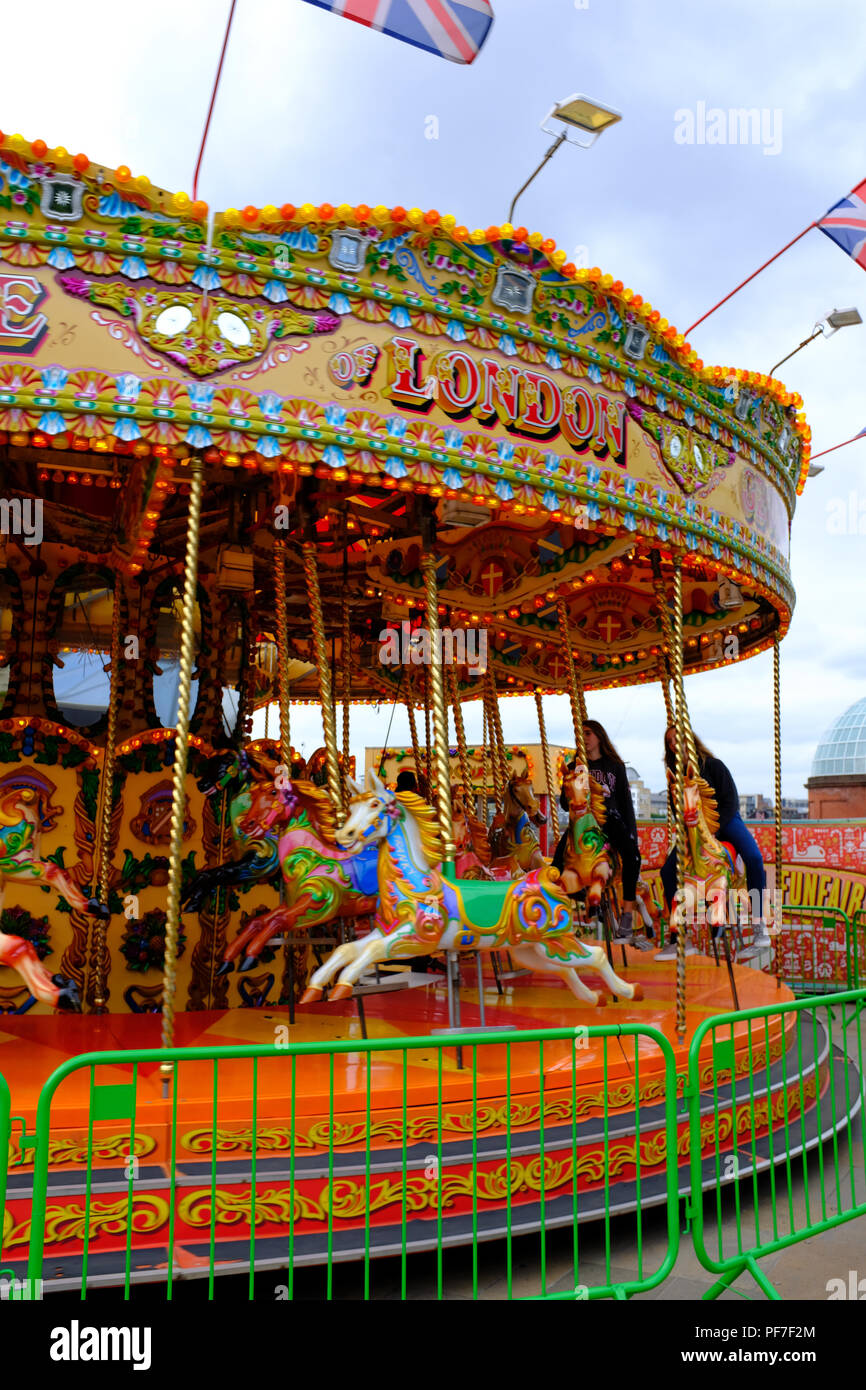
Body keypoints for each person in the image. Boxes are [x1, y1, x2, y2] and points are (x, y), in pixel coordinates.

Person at [656, 726, 769, 960]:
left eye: (678, 739)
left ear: (690, 739)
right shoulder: (674, 775)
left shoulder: (713, 766)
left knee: (754, 857)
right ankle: (679, 937)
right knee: (668, 871)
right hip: (694, 828)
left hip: (725, 821)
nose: (675, 744)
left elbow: (730, 800)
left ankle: (760, 926)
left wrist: (714, 830)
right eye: (670, 742)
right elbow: (676, 809)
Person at [553, 720, 648, 947]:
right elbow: (566, 805)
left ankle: (626, 916)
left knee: (632, 857)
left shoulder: (614, 766)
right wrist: (570, 788)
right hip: (584, 823)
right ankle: (581, 899)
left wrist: (631, 833)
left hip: (610, 820)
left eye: (588, 733)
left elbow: (625, 803)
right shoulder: (576, 765)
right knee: (556, 866)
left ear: (599, 736)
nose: (584, 738)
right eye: (581, 735)